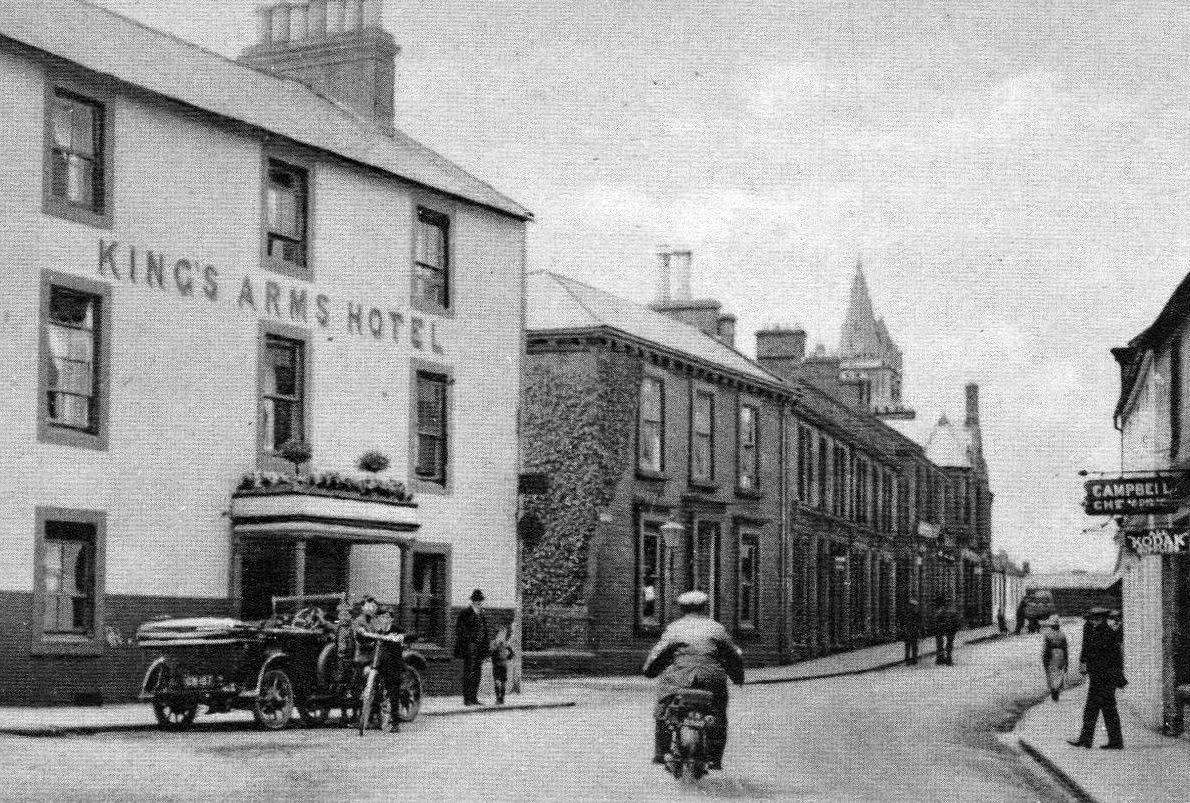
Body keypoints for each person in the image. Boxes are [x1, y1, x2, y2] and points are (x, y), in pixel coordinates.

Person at [643, 590, 744, 771]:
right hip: (711, 679)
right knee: (718, 713)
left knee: (663, 710)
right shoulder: (716, 628)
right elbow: (733, 655)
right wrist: (737, 677)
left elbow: (659, 653)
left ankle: (661, 752)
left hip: (679, 679)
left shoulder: (675, 628)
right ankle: (714, 758)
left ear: (682, 609)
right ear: (704, 608)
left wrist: (649, 671)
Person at [1068, 607, 1126, 750]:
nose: (1092, 621)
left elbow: (1115, 658)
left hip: (1105, 678)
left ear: (1101, 619)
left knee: (1106, 709)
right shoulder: (1094, 630)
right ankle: (1088, 740)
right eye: (1091, 619)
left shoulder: (1107, 634)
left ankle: (1113, 741)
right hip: (1098, 677)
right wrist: (1084, 663)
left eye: (1095, 619)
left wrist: (1116, 677)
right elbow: (1087, 648)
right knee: (1095, 709)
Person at [454, 588, 491, 706]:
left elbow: (485, 630)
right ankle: (467, 699)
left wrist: (486, 644)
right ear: (473, 601)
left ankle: (474, 697)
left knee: (477, 673)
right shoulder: (465, 613)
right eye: (477, 600)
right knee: (468, 672)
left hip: (480, 647)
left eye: (480, 600)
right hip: (469, 647)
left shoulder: (482, 614)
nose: (479, 602)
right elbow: (459, 629)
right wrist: (469, 639)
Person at [1041, 614, 1069, 702]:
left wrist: (1044, 659)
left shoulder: (1047, 634)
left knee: (1051, 673)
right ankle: (1057, 688)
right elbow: (1065, 648)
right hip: (1060, 654)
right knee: (1060, 673)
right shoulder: (1062, 634)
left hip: (1051, 655)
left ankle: (1053, 688)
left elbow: (1046, 648)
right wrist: (1066, 660)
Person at [933, 595, 963, 666]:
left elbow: (935, 620)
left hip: (944, 628)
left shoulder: (940, 611)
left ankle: (942, 658)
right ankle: (947, 658)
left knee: (941, 643)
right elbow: (957, 619)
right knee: (948, 643)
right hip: (949, 628)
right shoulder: (952, 609)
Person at [490, 626, 515, 705]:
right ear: (497, 634)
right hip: (496, 665)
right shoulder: (494, 643)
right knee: (497, 681)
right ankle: (498, 698)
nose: (502, 636)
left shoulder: (505, 643)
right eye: (500, 634)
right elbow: (491, 652)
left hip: (503, 664)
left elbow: (512, 653)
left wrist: (507, 658)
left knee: (503, 681)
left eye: (503, 634)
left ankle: (502, 699)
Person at [901, 597, 921, 665]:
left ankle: (908, 659)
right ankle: (913, 659)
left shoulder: (906, 613)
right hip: (912, 631)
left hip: (908, 631)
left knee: (908, 645)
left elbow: (902, 622)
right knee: (913, 646)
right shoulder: (915, 613)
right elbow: (918, 623)